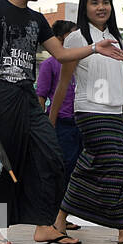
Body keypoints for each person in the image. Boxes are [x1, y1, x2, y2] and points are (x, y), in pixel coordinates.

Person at [0, 0, 123, 244]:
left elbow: (62, 54)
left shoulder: (37, 20)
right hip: (1, 96)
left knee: (52, 155)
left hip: (28, 98)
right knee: (3, 161)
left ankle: (44, 226)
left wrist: (94, 47)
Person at [48, 0, 123, 244]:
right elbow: (64, 82)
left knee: (95, 168)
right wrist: (52, 118)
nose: (101, 7)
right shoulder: (76, 38)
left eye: (105, 2)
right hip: (90, 110)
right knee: (116, 165)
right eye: (94, 2)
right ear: (85, 7)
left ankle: (59, 221)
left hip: (114, 112)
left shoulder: (118, 38)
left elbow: (122, 78)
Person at [36, 19, 82, 207]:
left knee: (76, 169)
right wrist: (43, 126)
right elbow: (41, 95)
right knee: (63, 167)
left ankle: (65, 213)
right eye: (73, 33)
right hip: (61, 123)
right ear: (63, 38)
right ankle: (56, 212)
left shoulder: (80, 61)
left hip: (80, 120)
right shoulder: (49, 64)